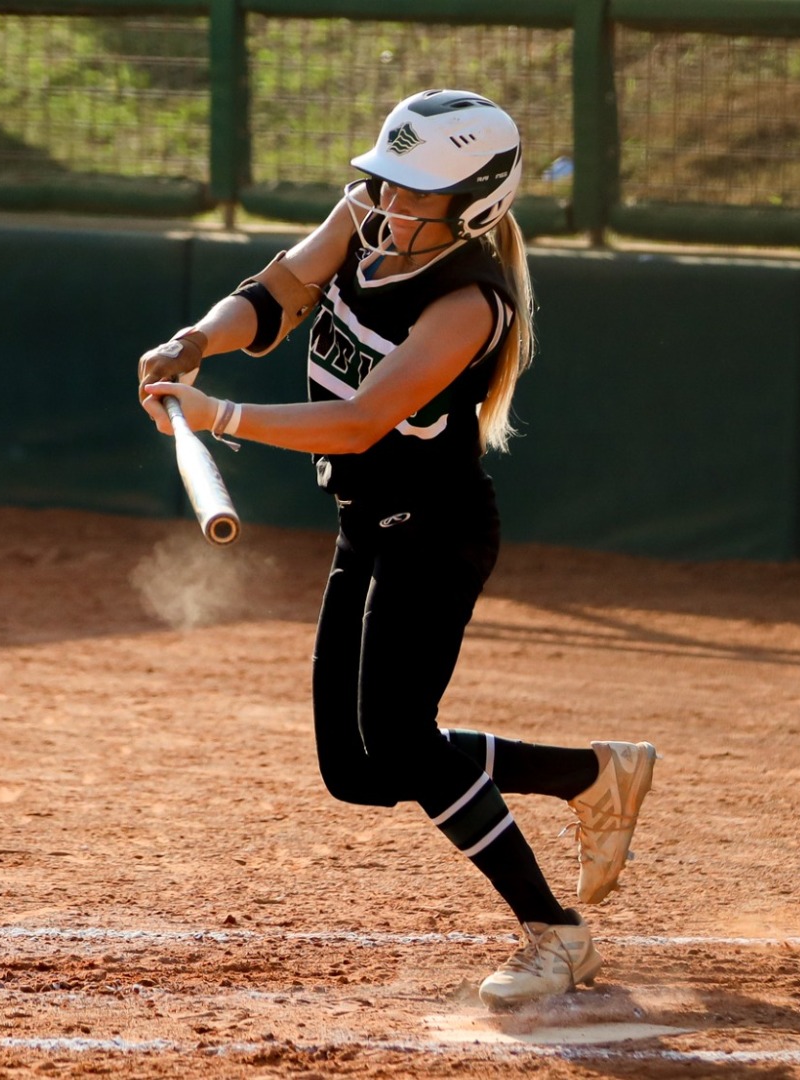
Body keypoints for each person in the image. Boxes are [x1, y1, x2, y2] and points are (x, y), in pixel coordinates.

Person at [138, 89, 657, 1010]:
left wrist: (219, 416)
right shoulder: (370, 218)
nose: (386, 202)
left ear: (476, 206)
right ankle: (590, 774)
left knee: (407, 743)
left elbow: (360, 421)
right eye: (384, 180)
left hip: (437, 534)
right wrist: (195, 342)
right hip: (367, 526)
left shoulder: (468, 303)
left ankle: (556, 934)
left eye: (415, 192)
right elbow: (277, 295)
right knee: (357, 767)